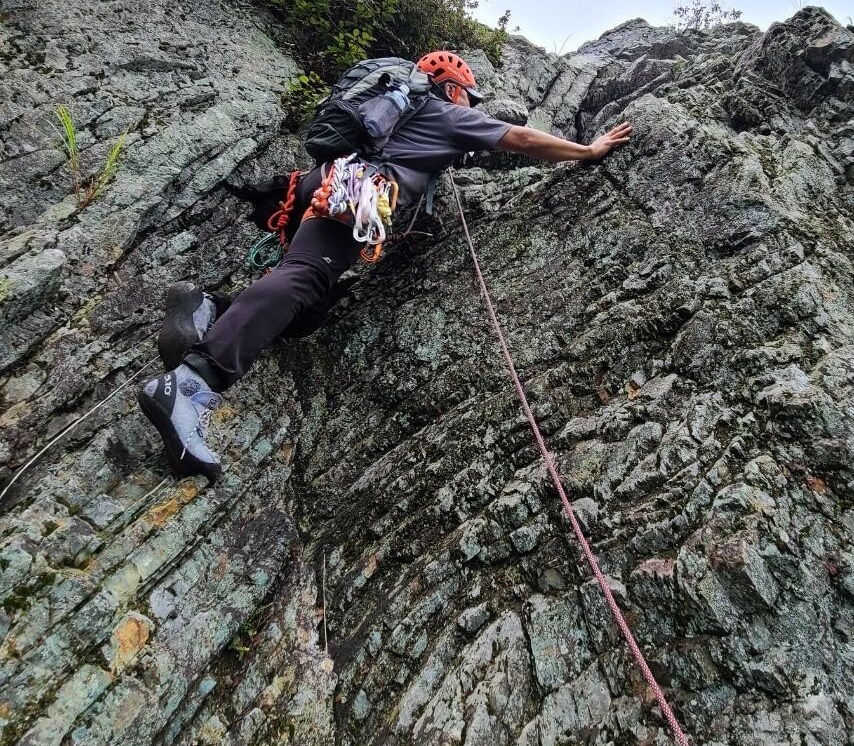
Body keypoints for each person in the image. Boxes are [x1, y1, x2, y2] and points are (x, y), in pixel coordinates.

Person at [138, 51, 632, 480]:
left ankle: (207, 308)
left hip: (323, 182)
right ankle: (191, 383)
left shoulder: (394, 110)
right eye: (467, 97)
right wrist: (587, 151)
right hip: (359, 194)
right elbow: (521, 139)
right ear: (451, 88)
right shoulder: (442, 113)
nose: (469, 107)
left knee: (311, 303)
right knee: (306, 277)